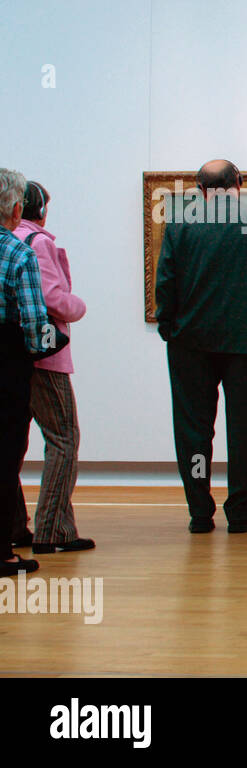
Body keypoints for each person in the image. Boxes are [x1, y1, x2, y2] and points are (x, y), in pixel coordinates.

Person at [155, 159, 247, 534]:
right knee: (242, 427)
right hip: (246, 341)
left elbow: (166, 281)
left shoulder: (181, 222)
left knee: (194, 429)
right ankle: (240, 512)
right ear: (240, 183)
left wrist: (168, 325)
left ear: (199, 189)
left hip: (190, 341)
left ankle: (200, 511)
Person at [12, 182, 93, 552]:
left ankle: (17, 527)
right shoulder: (38, 242)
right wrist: (79, 305)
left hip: (12, 355)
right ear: (40, 208)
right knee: (64, 440)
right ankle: (51, 530)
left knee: (13, 443)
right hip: (45, 357)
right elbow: (53, 299)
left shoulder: (8, 239)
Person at [0, 167, 58, 577]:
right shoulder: (20, 254)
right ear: (17, 208)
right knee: (5, 458)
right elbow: (37, 329)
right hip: (6, 367)